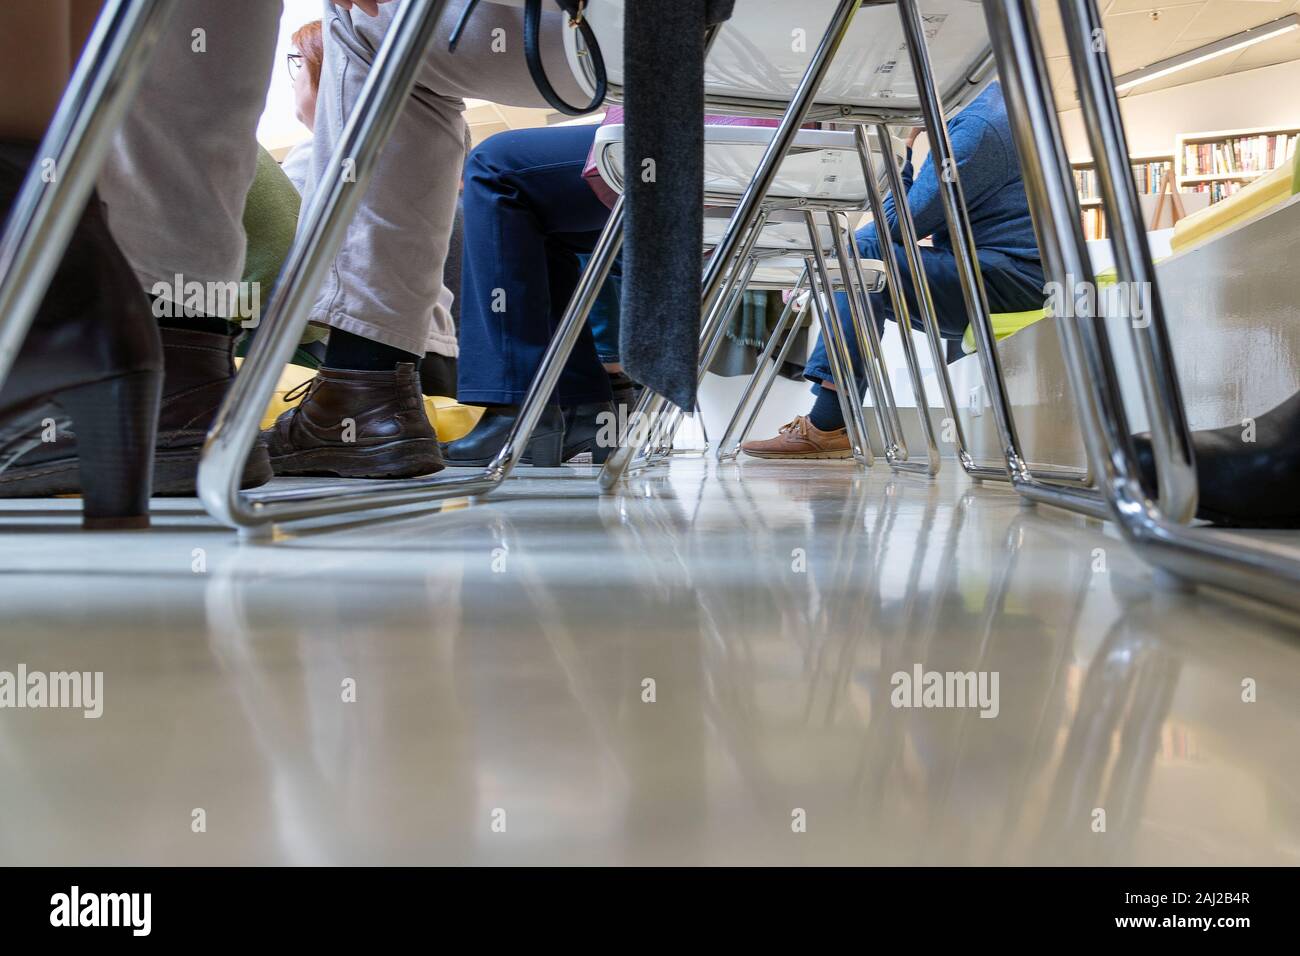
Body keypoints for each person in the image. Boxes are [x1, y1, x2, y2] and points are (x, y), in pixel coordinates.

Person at [262, 0, 590, 480]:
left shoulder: (301, 159)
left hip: (641, 32)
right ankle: (571, 402)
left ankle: (368, 387)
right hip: (717, 49)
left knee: (368, 24)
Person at [742, 81, 1046, 460]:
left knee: (862, 255)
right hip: (998, 274)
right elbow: (905, 222)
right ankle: (831, 422)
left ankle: (828, 424)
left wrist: (900, 148)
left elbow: (898, 226)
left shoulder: (978, 129)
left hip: (1011, 281)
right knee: (860, 258)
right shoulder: (991, 112)